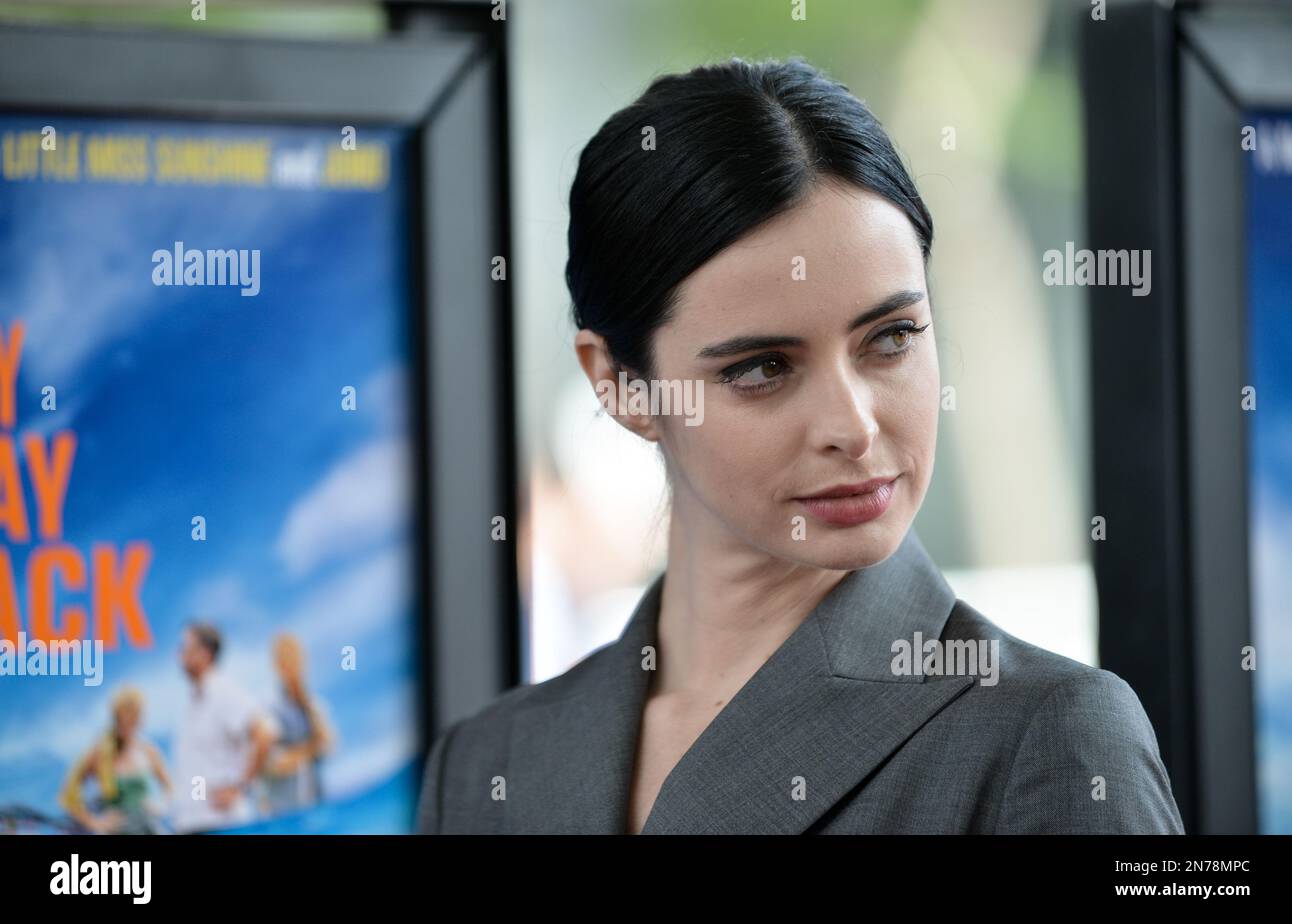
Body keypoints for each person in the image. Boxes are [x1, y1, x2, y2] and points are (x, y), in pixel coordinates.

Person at [416, 57, 1185, 834]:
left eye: (892, 338)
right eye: (762, 368)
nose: (853, 427)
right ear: (618, 383)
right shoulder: (489, 769)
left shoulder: (1050, 739)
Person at [173, 622, 275, 832]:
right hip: (193, 823)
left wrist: (240, 788)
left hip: (220, 823)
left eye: (185, 648)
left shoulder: (223, 691)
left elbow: (265, 733)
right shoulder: (194, 702)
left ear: (205, 653)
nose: (180, 654)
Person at [60, 686, 171, 834]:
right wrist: (94, 822)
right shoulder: (100, 753)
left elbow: (169, 787)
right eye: (125, 719)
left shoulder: (147, 751)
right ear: (116, 718)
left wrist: (160, 805)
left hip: (147, 828)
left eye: (134, 720)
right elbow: (69, 794)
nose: (130, 726)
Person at [259, 632, 334, 815]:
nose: (292, 665)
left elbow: (329, 746)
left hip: (317, 808)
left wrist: (305, 702)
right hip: (281, 815)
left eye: (296, 657)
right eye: (285, 658)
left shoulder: (315, 705)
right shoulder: (267, 708)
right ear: (276, 664)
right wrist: (310, 749)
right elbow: (272, 764)